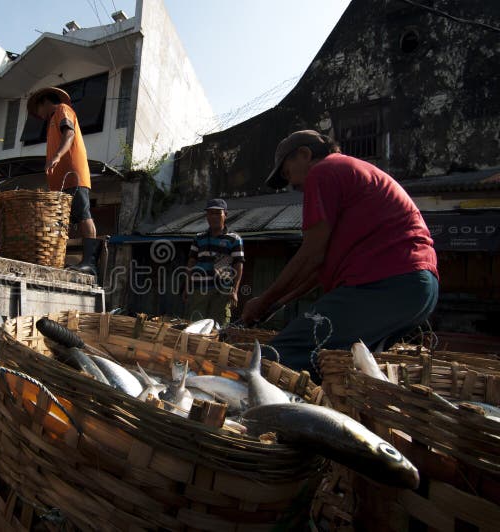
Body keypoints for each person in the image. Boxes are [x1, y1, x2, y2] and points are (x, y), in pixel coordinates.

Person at [241, 130, 439, 377]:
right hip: (419, 287)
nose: (292, 183)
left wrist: (264, 300)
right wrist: (277, 303)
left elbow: (311, 254)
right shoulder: (350, 171)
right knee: (340, 367)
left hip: (386, 283)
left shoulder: (323, 172)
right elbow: (317, 267)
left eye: (287, 172)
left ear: (305, 154)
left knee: (274, 359)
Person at [27, 86, 100, 276]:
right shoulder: (51, 121)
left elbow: (69, 134)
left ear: (44, 102)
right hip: (61, 182)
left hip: (73, 175)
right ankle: (58, 259)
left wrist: (57, 156)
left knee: (84, 215)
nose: (38, 115)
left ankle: (90, 263)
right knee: (63, 222)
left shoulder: (62, 110)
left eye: (38, 110)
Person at [183, 198, 244, 327]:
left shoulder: (234, 239)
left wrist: (235, 291)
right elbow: (191, 262)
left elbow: (238, 265)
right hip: (200, 290)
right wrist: (187, 286)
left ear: (225, 215)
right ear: (207, 216)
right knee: (195, 326)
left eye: (218, 213)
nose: (214, 216)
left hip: (222, 291)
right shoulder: (199, 238)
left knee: (218, 328)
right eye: (211, 213)